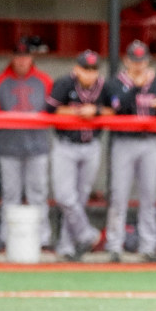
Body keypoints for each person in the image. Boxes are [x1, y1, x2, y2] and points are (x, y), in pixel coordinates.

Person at [103, 40, 156, 262]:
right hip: (124, 142)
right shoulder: (116, 82)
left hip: (149, 142)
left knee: (149, 196)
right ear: (126, 60)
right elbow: (118, 106)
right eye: (134, 60)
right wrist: (135, 86)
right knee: (119, 196)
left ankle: (149, 246)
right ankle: (114, 246)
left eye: (142, 61)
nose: (139, 65)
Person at [0, 38, 54, 249]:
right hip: (9, 148)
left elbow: (54, 110)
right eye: (18, 56)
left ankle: (42, 240)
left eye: (25, 56)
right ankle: (7, 239)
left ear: (31, 58)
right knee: (10, 195)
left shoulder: (44, 81)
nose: (22, 60)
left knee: (38, 194)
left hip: (37, 147)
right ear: (12, 58)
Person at [45, 50, 112, 262]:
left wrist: (96, 111)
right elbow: (49, 110)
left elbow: (116, 110)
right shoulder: (65, 83)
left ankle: (67, 247)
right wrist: (77, 112)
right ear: (77, 68)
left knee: (80, 199)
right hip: (66, 145)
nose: (90, 74)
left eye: (93, 69)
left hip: (91, 145)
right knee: (66, 197)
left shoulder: (103, 86)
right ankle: (86, 235)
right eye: (86, 69)